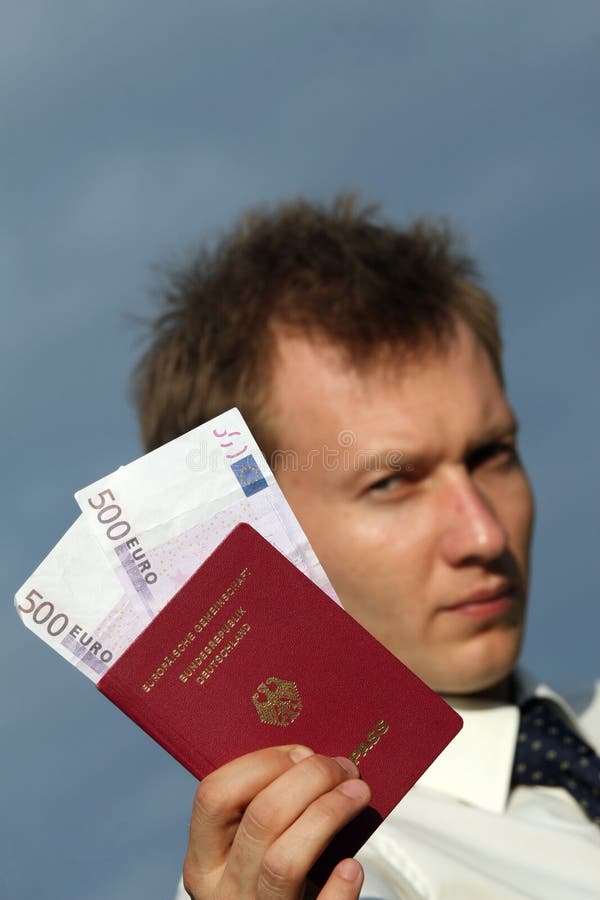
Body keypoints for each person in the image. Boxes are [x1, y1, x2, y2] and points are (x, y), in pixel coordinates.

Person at [132, 195, 600, 899]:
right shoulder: (324, 875)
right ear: (248, 547)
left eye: (492, 454)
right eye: (393, 483)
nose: (485, 534)